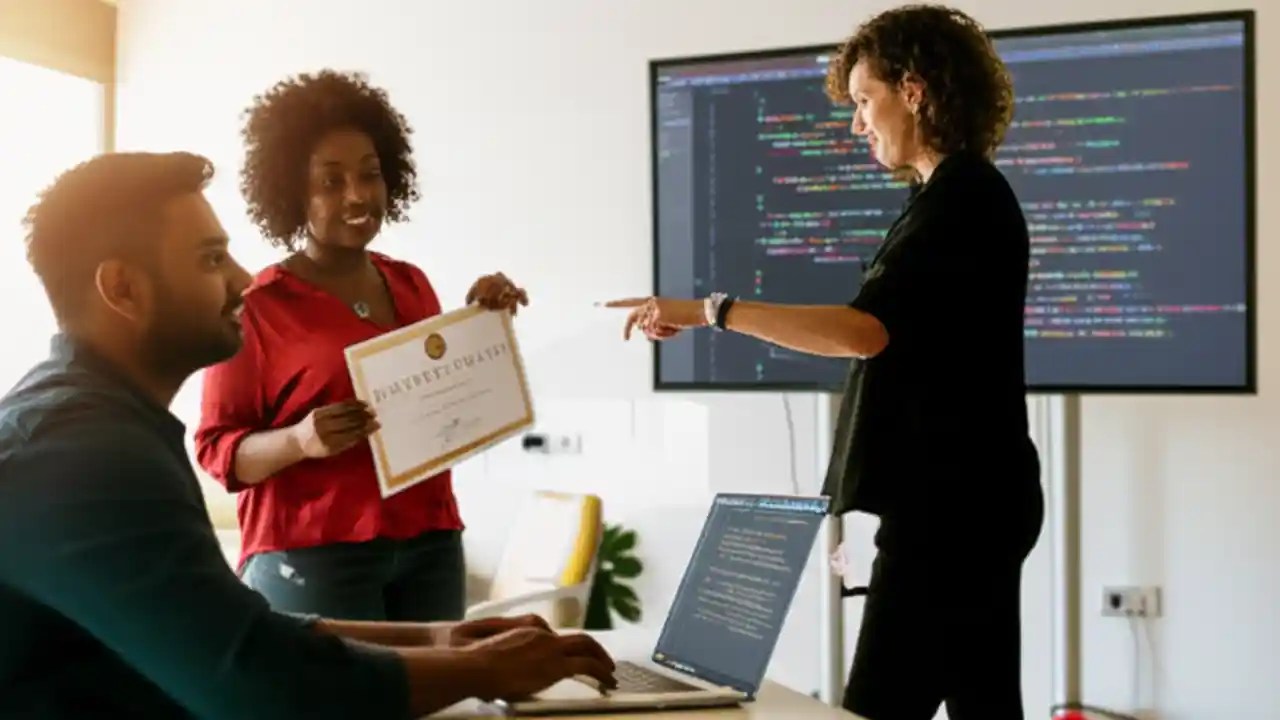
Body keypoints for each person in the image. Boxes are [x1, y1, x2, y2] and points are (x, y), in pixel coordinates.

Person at [0, 151, 614, 719]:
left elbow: (244, 631)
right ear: (124, 289)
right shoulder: (78, 456)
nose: (243, 281)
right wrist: (480, 670)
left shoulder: (102, 426)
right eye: (211, 259)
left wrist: (442, 638)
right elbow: (258, 681)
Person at [605, 5, 1043, 719]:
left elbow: (863, 332)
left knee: (878, 705)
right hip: (975, 501)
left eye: (865, 101)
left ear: (915, 90)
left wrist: (711, 311)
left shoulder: (960, 199)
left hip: (951, 513)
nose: (856, 123)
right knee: (984, 703)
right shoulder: (949, 195)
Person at [195, 70, 526, 622]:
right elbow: (218, 452)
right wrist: (299, 441)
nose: (357, 196)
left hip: (431, 540)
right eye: (330, 182)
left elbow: (441, 402)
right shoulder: (257, 305)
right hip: (313, 551)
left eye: (370, 176)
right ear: (292, 192)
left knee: (439, 707)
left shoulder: (413, 284)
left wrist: (484, 322)